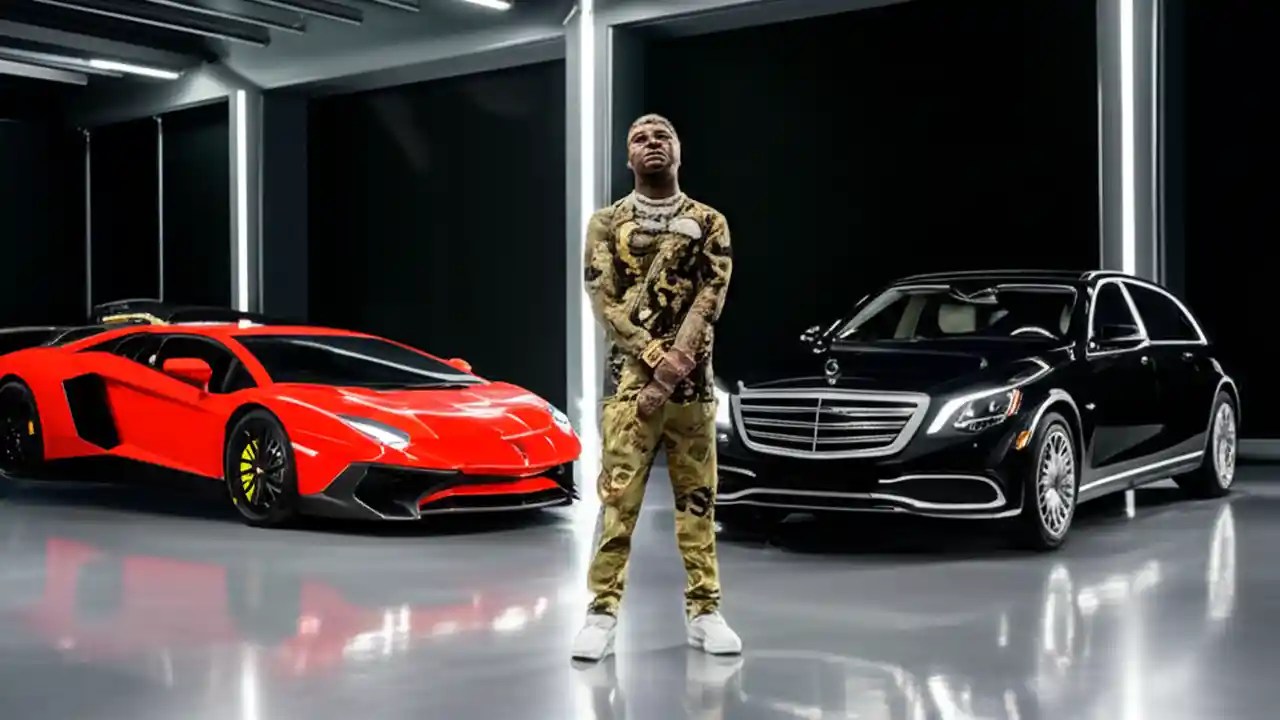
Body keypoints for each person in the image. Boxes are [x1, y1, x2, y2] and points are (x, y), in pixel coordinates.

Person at [571, 113, 740, 662]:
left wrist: (673, 368)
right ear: (628, 157)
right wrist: (651, 356)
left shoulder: (709, 221)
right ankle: (601, 612)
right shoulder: (607, 223)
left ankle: (705, 610)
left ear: (679, 150)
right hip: (628, 392)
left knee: (698, 501)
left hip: (692, 392)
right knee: (616, 503)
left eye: (662, 135)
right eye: (639, 138)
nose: (651, 144)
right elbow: (604, 301)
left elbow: (710, 297)